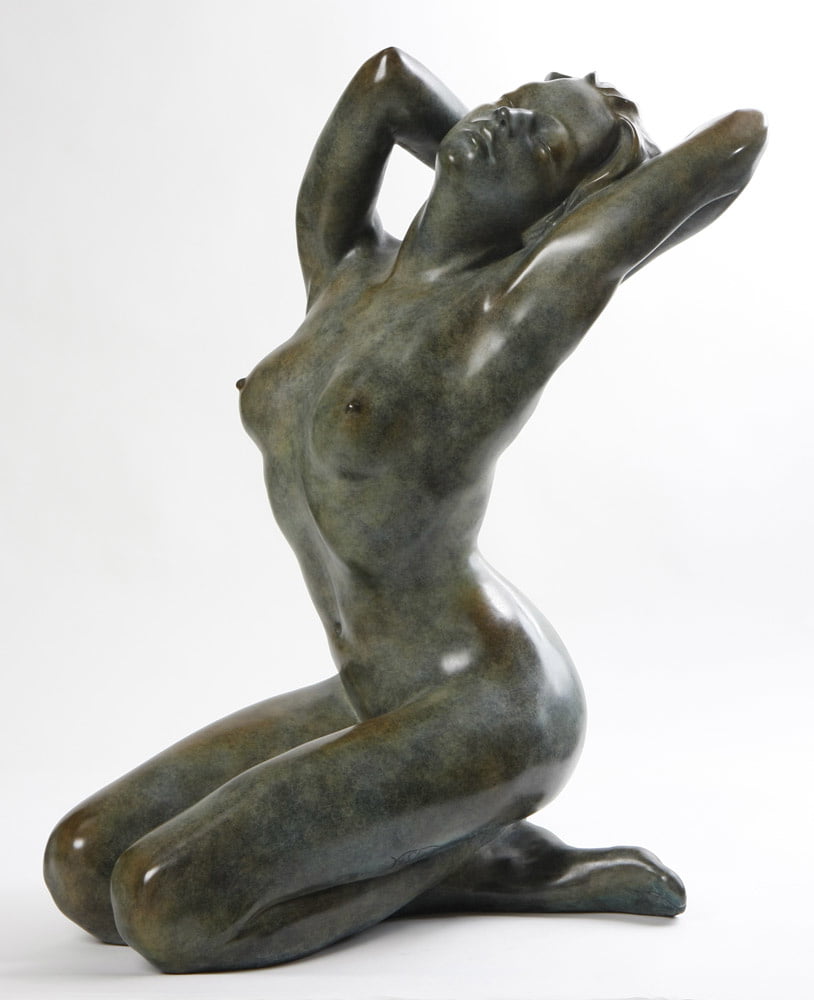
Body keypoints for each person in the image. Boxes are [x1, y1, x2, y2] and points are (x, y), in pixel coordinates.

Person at [44, 48, 766, 973]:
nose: (510, 118)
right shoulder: (344, 271)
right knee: (81, 867)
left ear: (560, 215)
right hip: (373, 685)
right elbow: (387, 81)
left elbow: (738, 142)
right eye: (513, 99)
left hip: (492, 704)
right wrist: (502, 150)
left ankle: (473, 861)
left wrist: (586, 223)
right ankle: (446, 844)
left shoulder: (509, 311)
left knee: (164, 909)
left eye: (544, 141)